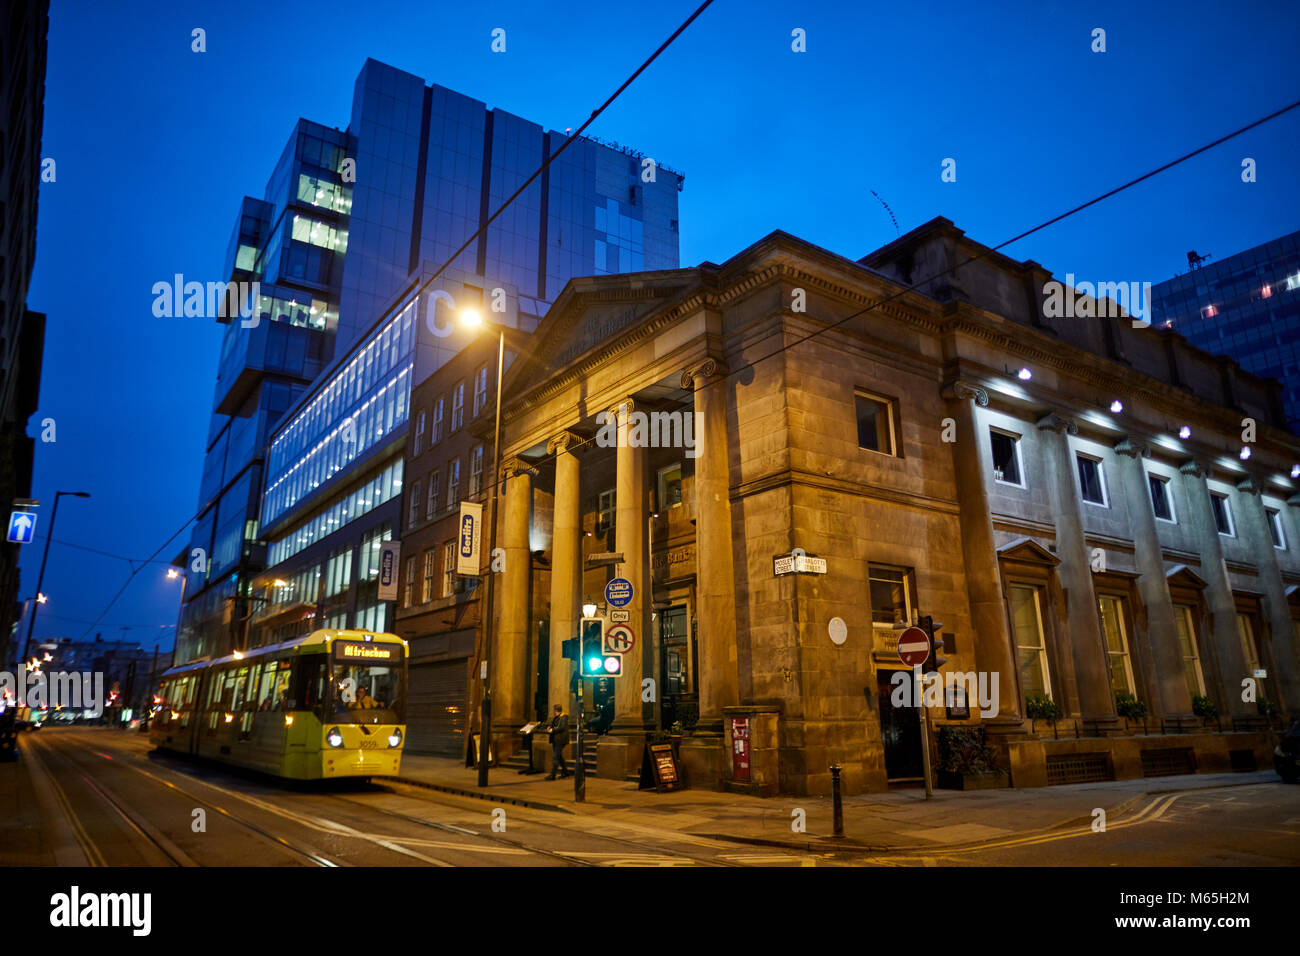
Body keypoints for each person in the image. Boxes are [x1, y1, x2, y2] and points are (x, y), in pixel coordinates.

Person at [546, 704, 570, 779]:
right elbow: (555, 725)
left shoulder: (563, 717)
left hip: (560, 740)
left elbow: (561, 727)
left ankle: (553, 775)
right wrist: (550, 727)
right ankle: (566, 772)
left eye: (554, 710)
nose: (553, 711)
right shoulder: (557, 717)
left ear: (556, 710)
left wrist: (552, 730)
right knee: (559, 756)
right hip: (556, 739)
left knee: (556, 757)